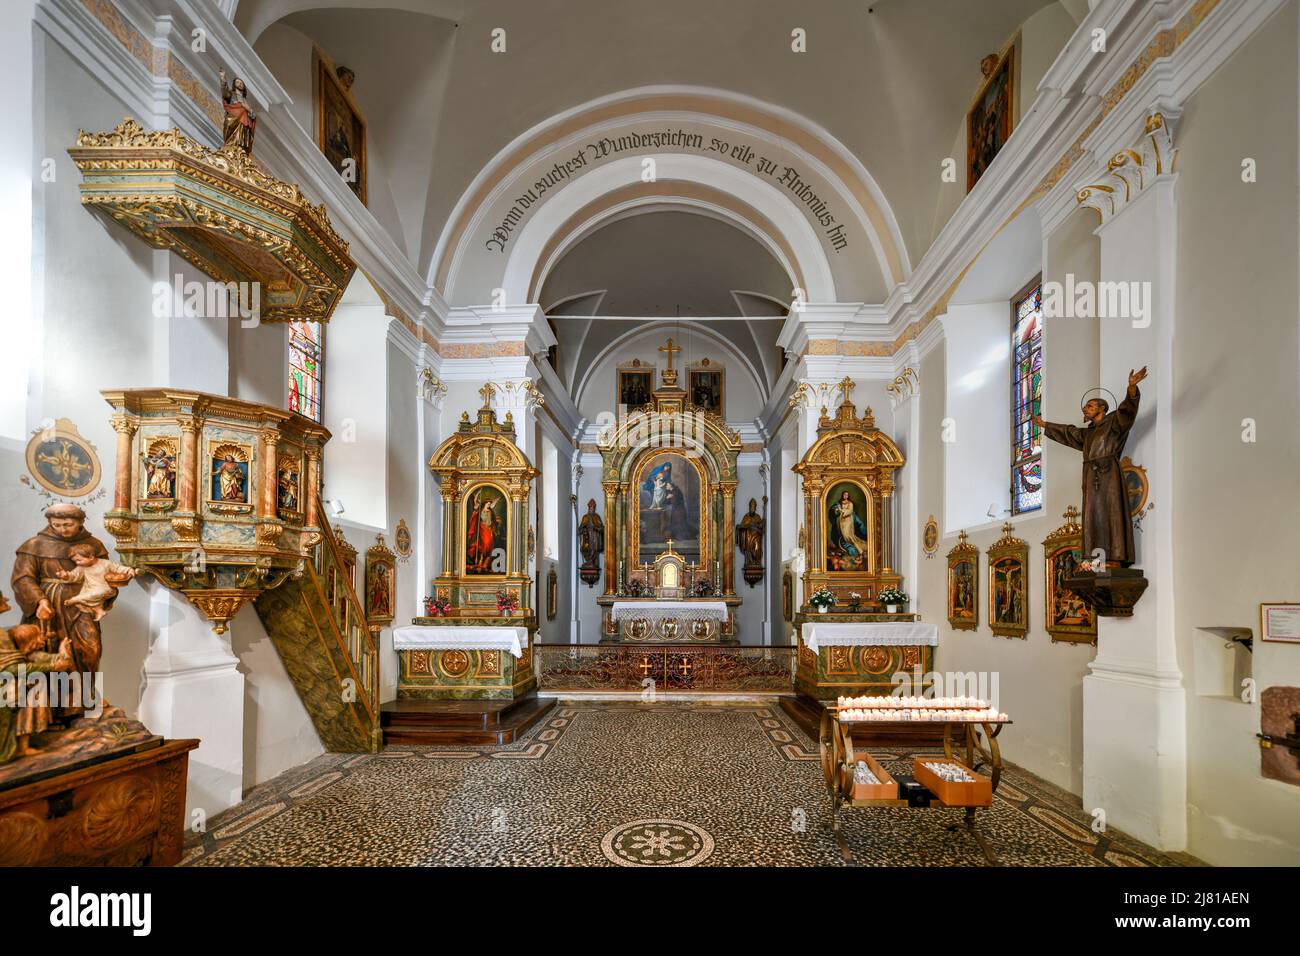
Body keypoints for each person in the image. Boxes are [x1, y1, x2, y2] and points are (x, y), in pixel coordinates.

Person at [1034, 367, 1146, 568]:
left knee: (1111, 513)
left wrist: (1131, 389)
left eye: (1090, 406)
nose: (1085, 409)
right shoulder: (1088, 434)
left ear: (1102, 409)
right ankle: (1097, 559)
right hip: (1090, 478)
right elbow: (1069, 432)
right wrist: (1045, 425)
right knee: (1093, 516)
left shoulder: (1114, 423)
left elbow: (1127, 411)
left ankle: (1115, 557)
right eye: (1085, 406)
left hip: (1108, 473)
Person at [10, 504, 114, 718]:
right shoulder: (34, 545)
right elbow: (23, 578)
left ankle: (85, 698)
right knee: (50, 651)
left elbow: (105, 573)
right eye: (57, 525)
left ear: (80, 522)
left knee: (90, 649)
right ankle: (52, 709)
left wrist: (109, 589)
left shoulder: (94, 545)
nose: (63, 529)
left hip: (81, 605)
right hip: (48, 608)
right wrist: (39, 601)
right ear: (49, 523)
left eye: (68, 524)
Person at [57, 544, 136, 621]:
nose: (77, 563)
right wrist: (66, 576)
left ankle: (75, 599)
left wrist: (129, 570)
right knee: (87, 600)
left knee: (86, 597)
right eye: (75, 561)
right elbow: (74, 575)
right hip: (89, 589)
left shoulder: (105, 563)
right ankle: (100, 611)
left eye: (79, 560)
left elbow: (117, 568)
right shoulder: (82, 567)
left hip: (105, 588)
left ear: (91, 557)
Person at [829, 490, 869, 557]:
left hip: (848, 521)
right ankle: (851, 549)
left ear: (848, 496)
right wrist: (837, 510)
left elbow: (849, 511)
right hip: (842, 521)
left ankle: (860, 551)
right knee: (844, 535)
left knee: (849, 536)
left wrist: (841, 510)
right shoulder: (840, 503)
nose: (845, 496)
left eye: (847, 495)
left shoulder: (850, 503)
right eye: (844, 495)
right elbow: (837, 512)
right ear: (842, 495)